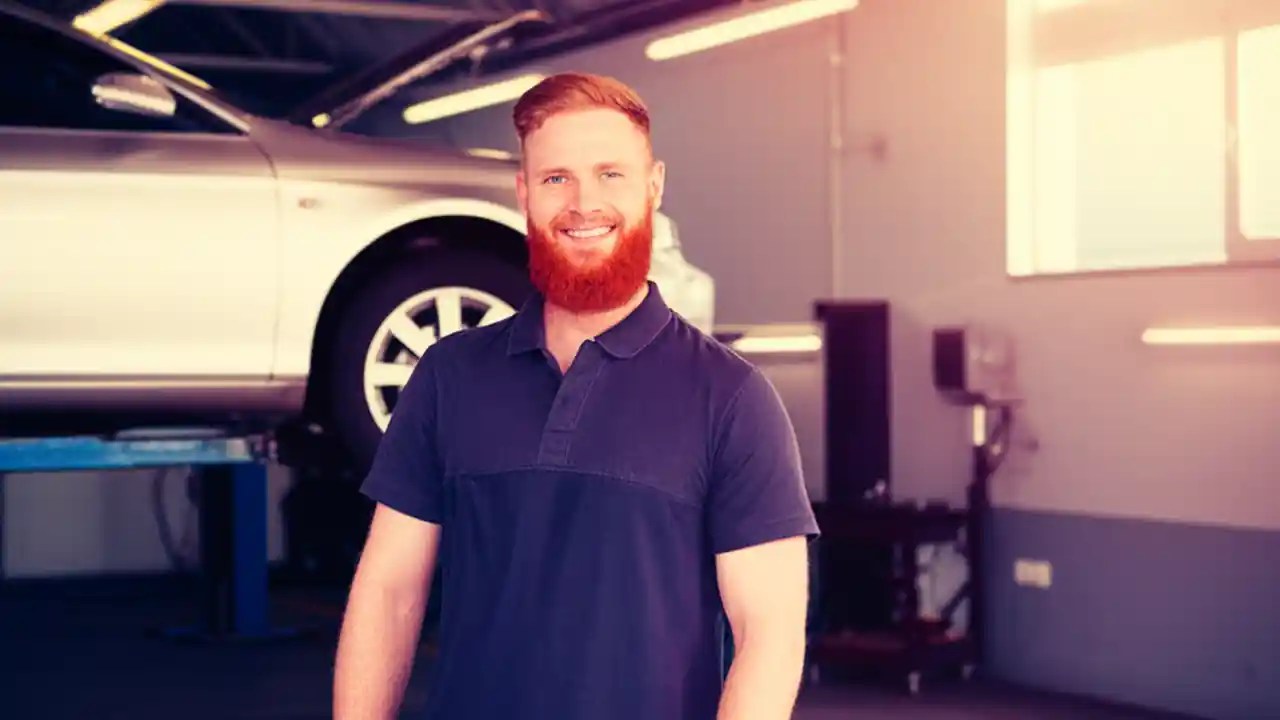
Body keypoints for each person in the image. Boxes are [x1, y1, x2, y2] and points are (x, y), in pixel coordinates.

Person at [333, 71, 820, 720]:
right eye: (556, 177)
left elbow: (770, 635)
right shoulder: (449, 376)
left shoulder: (731, 398)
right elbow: (389, 593)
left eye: (610, 174)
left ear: (654, 188)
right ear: (524, 193)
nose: (583, 202)